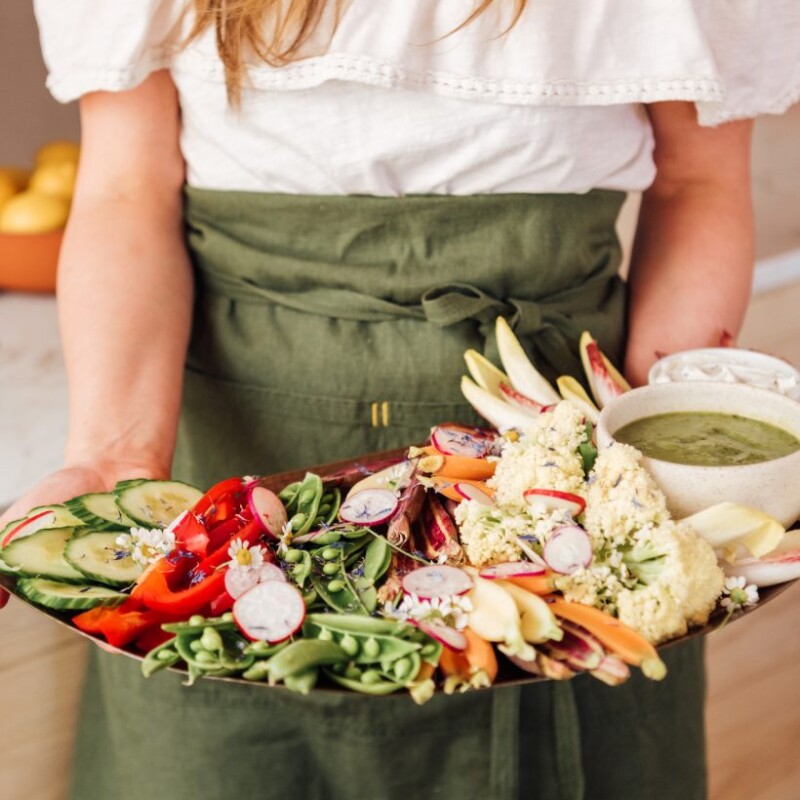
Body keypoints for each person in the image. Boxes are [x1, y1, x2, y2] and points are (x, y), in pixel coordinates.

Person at [2, 1, 798, 798]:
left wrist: (658, 448)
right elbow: (126, 189)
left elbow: (698, 181)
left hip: (561, 443)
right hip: (231, 431)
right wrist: (111, 456)